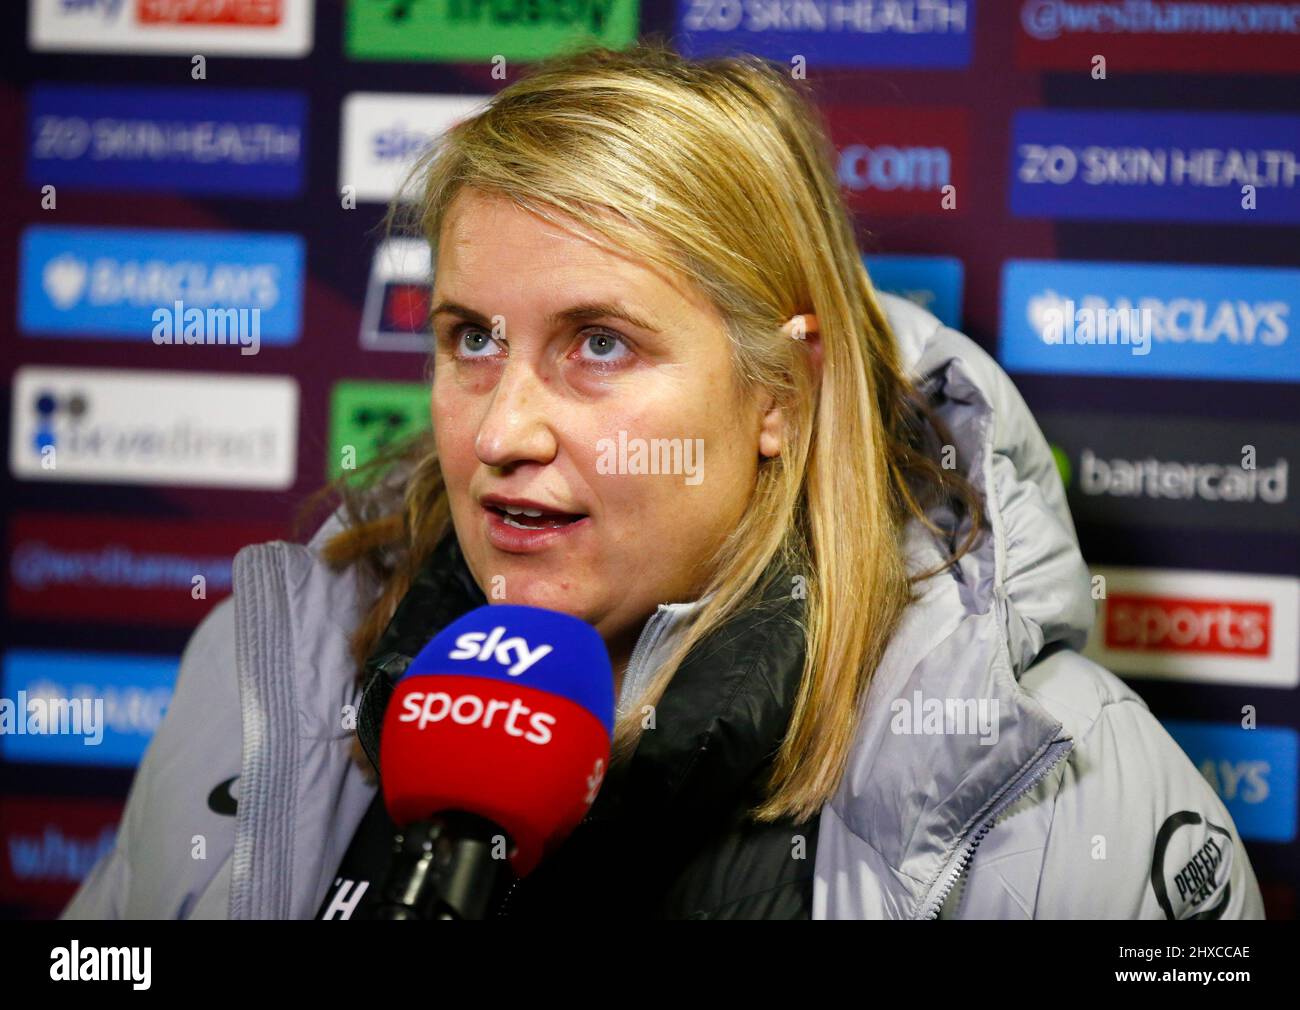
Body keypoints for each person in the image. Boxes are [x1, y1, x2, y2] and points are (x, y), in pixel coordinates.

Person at [62, 41, 1263, 920]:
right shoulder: (262, 669)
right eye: (472, 337)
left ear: (777, 399)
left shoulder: (1053, 773)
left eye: (599, 343)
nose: (501, 431)